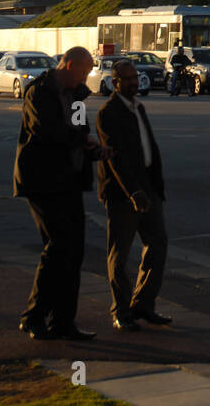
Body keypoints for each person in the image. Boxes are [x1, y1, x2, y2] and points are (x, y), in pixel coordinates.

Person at [13, 47, 100, 341]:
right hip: (44, 181)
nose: (85, 78)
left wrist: (94, 150)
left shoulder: (75, 96)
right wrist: (83, 140)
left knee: (73, 251)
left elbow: (79, 131)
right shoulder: (40, 92)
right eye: (84, 71)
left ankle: (63, 321)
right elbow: (46, 132)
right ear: (70, 65)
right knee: (58, 246)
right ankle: (34, 316)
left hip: (69, 180)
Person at [96, 59, 170, 331]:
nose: (133, 83)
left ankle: (144, 305)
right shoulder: (108, 112)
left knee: (158, 244)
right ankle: (121, 311)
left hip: (148, 186)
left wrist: (154, 186)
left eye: (134, 78)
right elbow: (116, 158)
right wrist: (134, 192)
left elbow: (147, 147)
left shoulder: (138, 107)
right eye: (127, 79)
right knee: (120, 253)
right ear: (115, 82)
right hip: (123, 192)